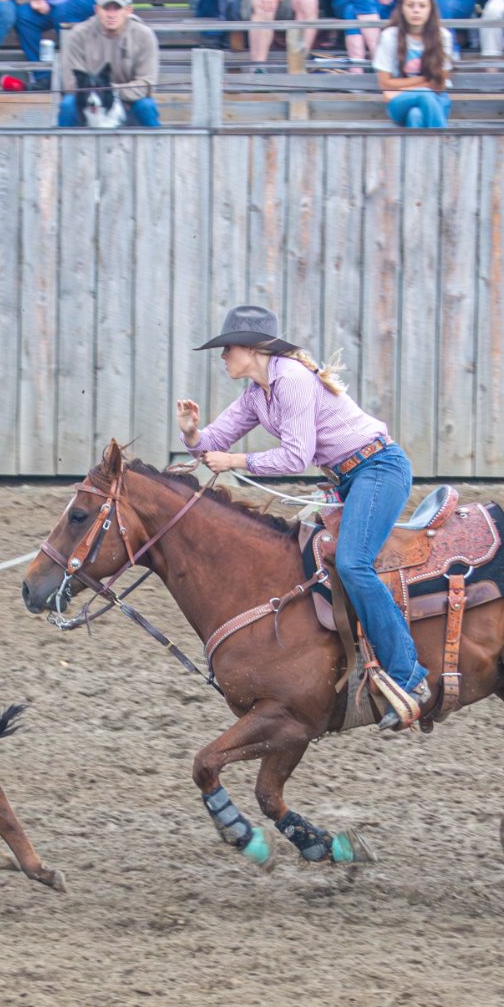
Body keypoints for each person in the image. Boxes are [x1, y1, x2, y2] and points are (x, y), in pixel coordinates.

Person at [178, 306, 433, 730]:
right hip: (352, 478)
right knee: (317, 562)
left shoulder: (292, 380)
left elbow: (295, 455)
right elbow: (212, 443)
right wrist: (191, 434)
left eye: (227, 348)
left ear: (251, 349)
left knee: (352, 563)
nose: (223, 356)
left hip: (378, 469)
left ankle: (408, 676)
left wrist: (235, 458)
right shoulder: (258, 395)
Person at [54, 0, 160, 124]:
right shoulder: (78, 35)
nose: (111, 14)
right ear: (97, 10)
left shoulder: (144, 35)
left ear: (128, 10)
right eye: (106, 8)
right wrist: (98, 94)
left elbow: (146, 84)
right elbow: (71, 84)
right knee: (68, 105)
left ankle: (154, 146)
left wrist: (112, 91)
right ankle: (63, 146)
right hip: (87, 101)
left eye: (117, 8)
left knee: (146, 106)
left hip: (130, 101)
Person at [371, 0, 453, 124]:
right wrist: (425, 81)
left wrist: (400, 89)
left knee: (416, 115)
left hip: (436, 99)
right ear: (402, 8)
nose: (416, 10)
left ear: (430, 10)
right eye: (410, 5)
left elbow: (439, 83)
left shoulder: (443, 36)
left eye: (422, 6)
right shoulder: (390, 36)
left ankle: (423, 147)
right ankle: (443, 142)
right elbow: (384, 83)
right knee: (425, 94)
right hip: (400, 102)